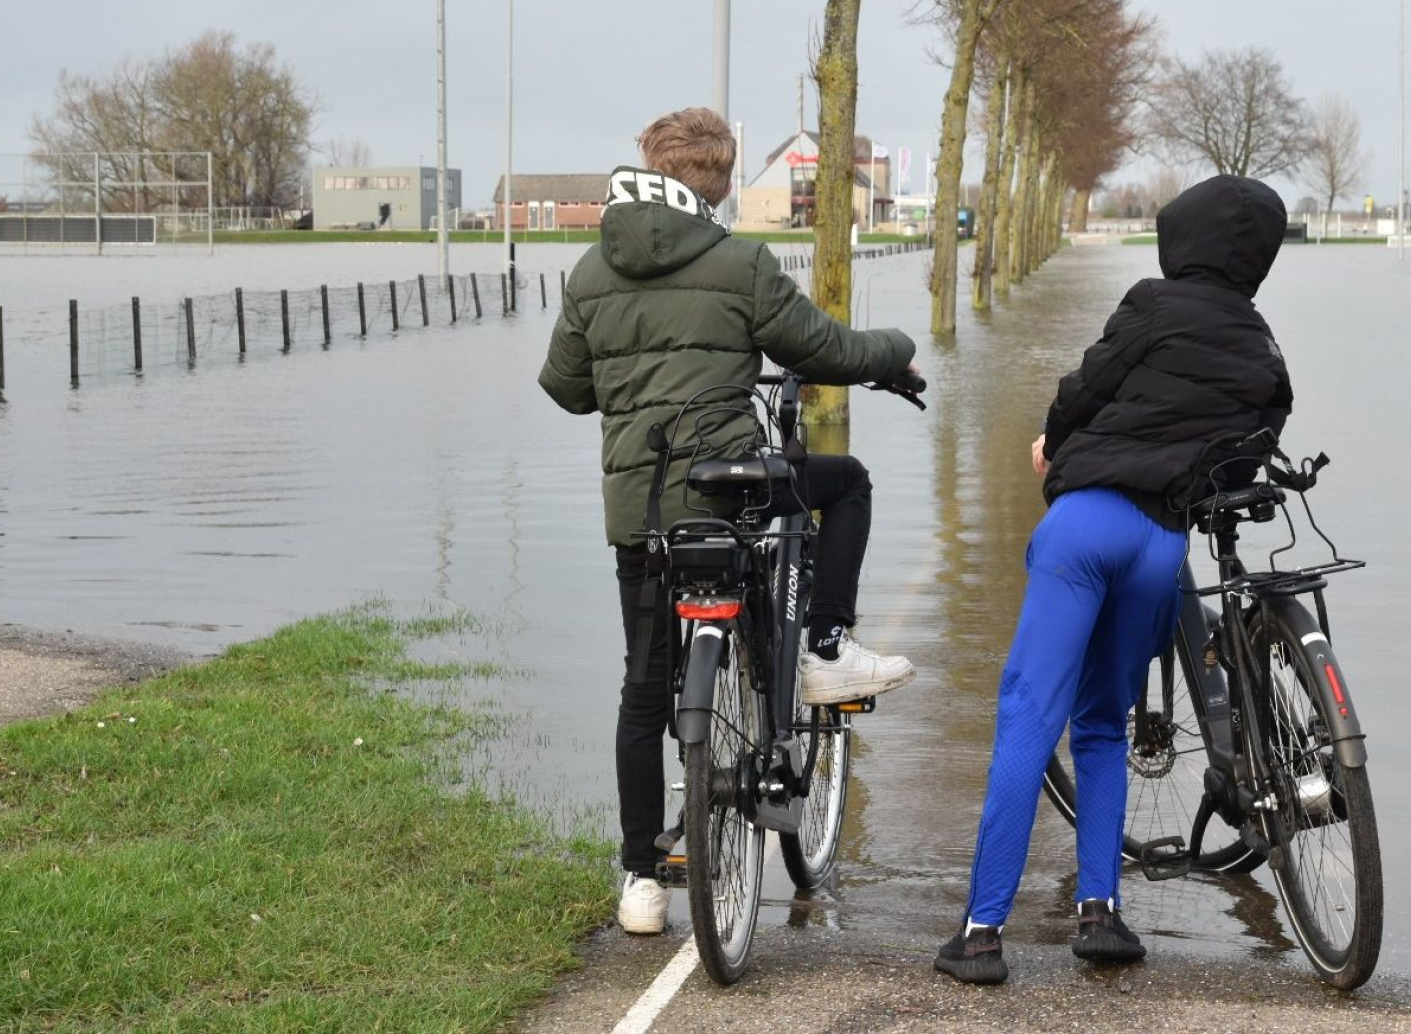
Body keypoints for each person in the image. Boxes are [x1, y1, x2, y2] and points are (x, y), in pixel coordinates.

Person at [538, 107, 919, 936]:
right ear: (716, 183)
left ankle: (641, 880)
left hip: (641, 516)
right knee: (843, 483)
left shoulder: (590, 272)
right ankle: (823, 647)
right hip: (727, 494)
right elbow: (826, 350)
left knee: (643, 689)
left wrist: (626, 377)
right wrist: (897, 351)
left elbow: (564, 388)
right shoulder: (738, 264)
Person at [935, 176, 1295, 984]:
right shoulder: (1260, 339)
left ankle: (983, 931)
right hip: (1162, 546)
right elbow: (1259, 433)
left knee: (1028, 717)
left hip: (1086, 525)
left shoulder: (1152, 303)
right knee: (1102, 726)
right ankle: (1101, 916)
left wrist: (1051, 445)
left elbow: (1089, 385)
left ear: (1182, 237)